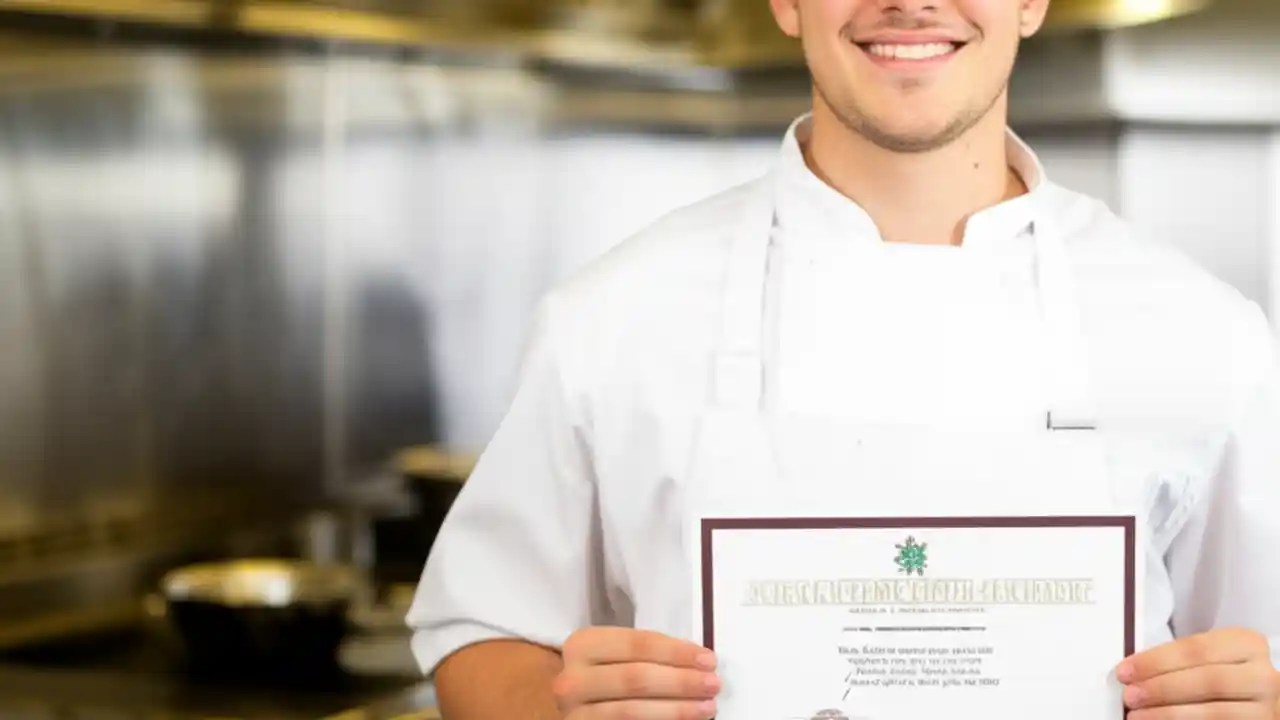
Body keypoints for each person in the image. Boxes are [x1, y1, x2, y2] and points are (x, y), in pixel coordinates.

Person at [408, 0, 1280, 718]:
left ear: (1032, 3)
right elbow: (478, 634)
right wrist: (558, 709)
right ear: (785, 4)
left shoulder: (1204, 333)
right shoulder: (610, 318)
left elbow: (1259, 659)